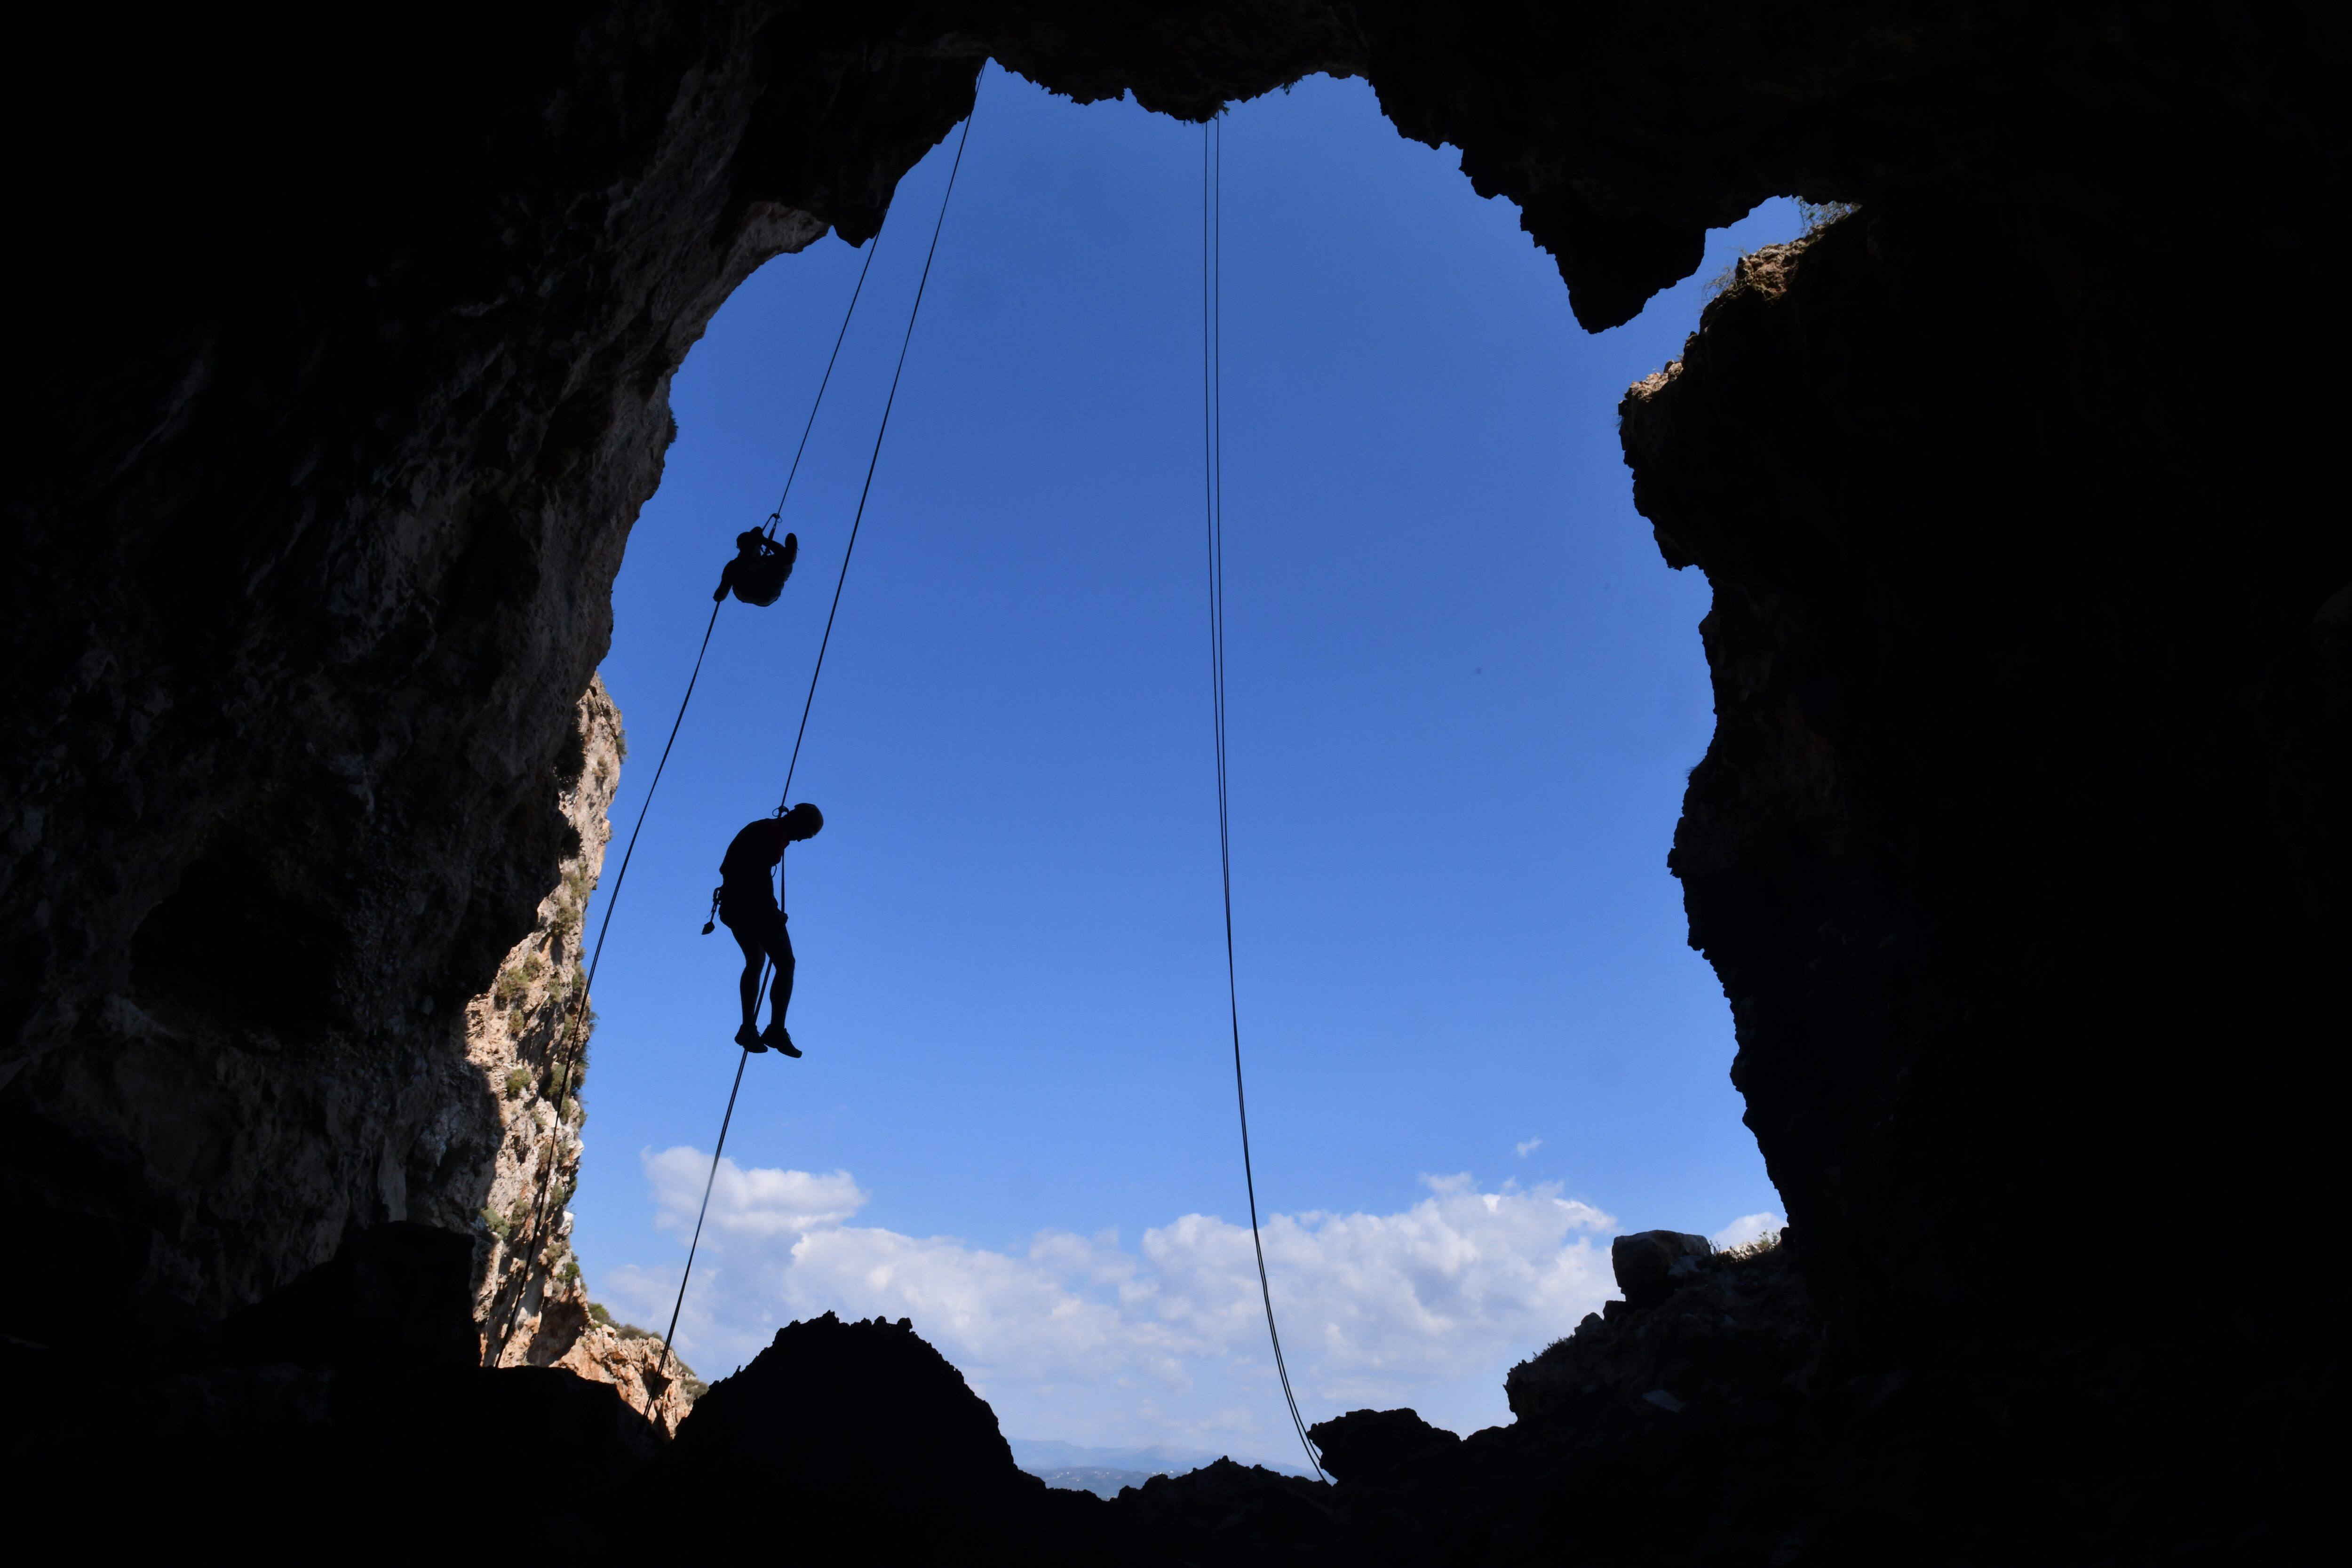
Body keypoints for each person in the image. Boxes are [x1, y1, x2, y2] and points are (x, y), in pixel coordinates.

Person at [715, 804, 823, 1055]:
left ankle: (748, 1028)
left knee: (756, 962)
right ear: (799, 822)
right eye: (804, 834)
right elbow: (757, 876)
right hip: (753, 906)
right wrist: (772, 913)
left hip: (733, 906)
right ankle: (775, 1029)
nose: (800, 839)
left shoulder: (764, 829)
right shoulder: (773, 833)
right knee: (785, 963)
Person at [714, 529, 797, 606]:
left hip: (764, 591)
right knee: (782, 563)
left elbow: (722, 592)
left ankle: (788, 557)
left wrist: (762, 540)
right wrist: (762, 540)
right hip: (754, 591)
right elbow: (722, 591)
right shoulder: (734, 566)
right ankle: (788, 558)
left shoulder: (733, 566)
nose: (748, 551)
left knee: (781, 563)